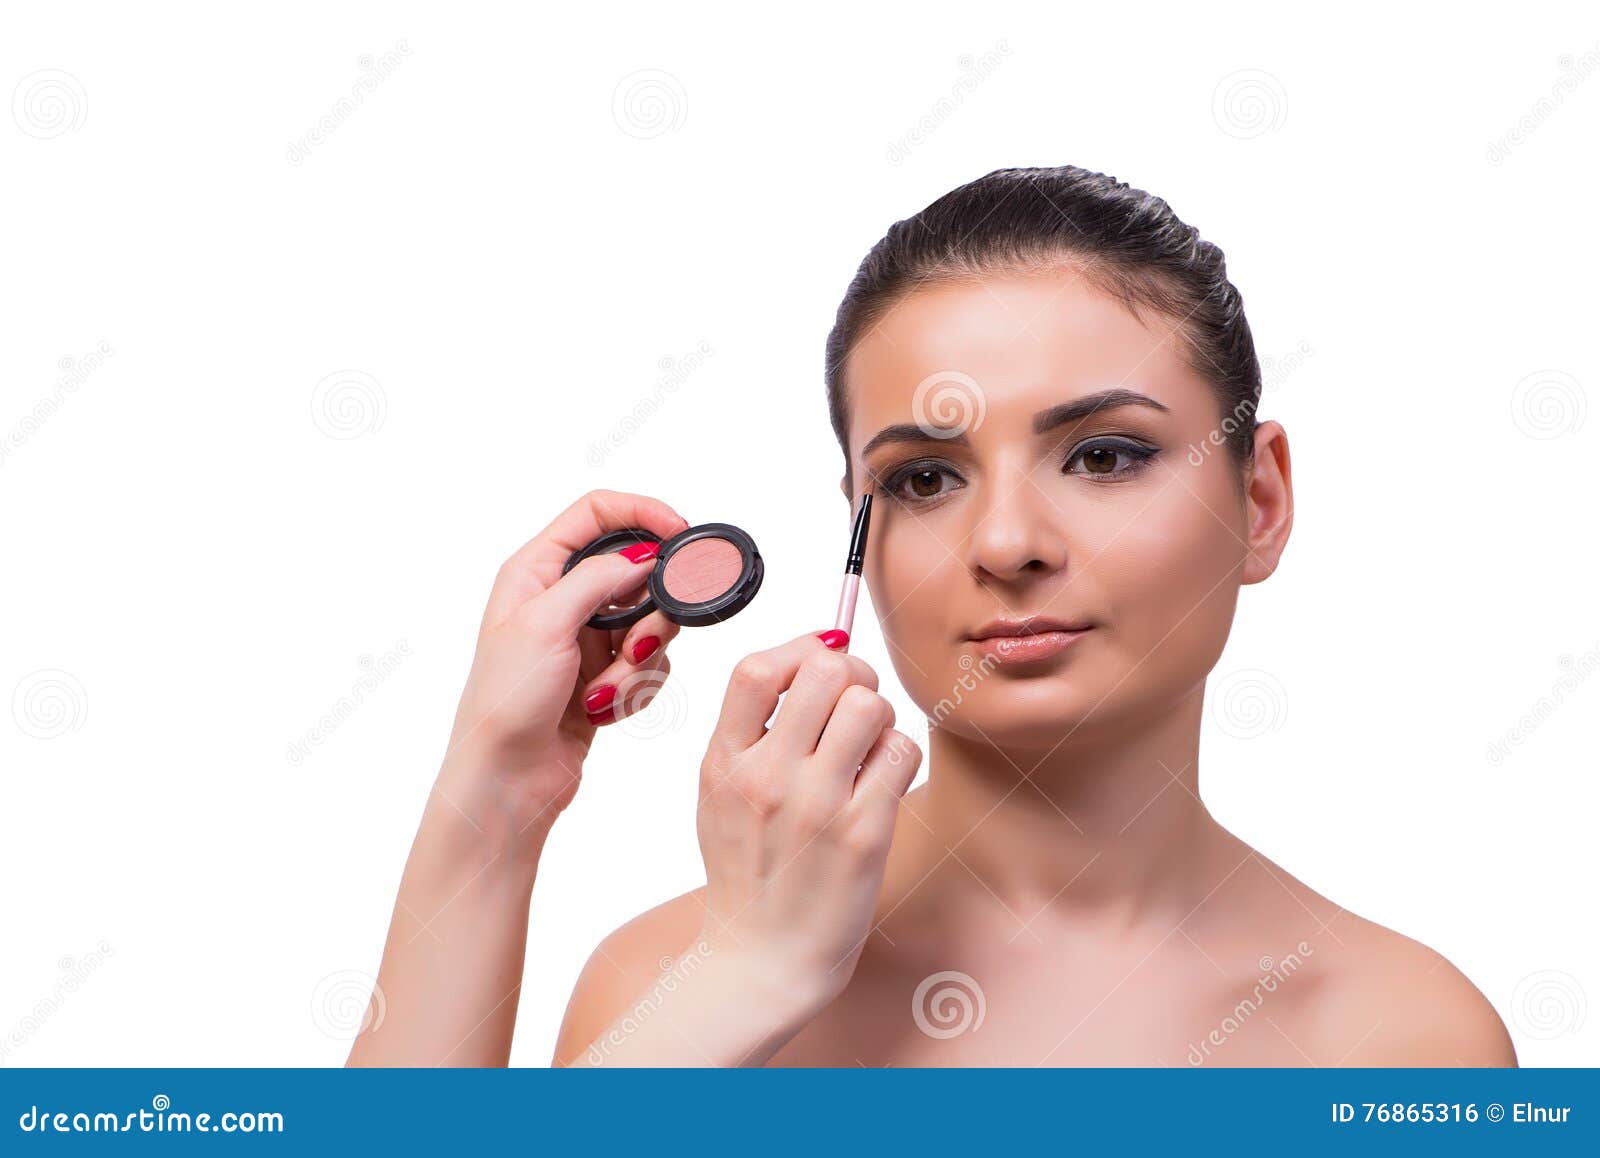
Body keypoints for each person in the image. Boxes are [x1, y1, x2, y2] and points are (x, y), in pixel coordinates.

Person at [353, 165, 1516, 1068]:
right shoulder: (671, 984)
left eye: (1104, 455)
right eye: (922, 479)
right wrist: (501, 798)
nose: (1007, 543)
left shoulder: (1406, 1039)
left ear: (1257, 500)